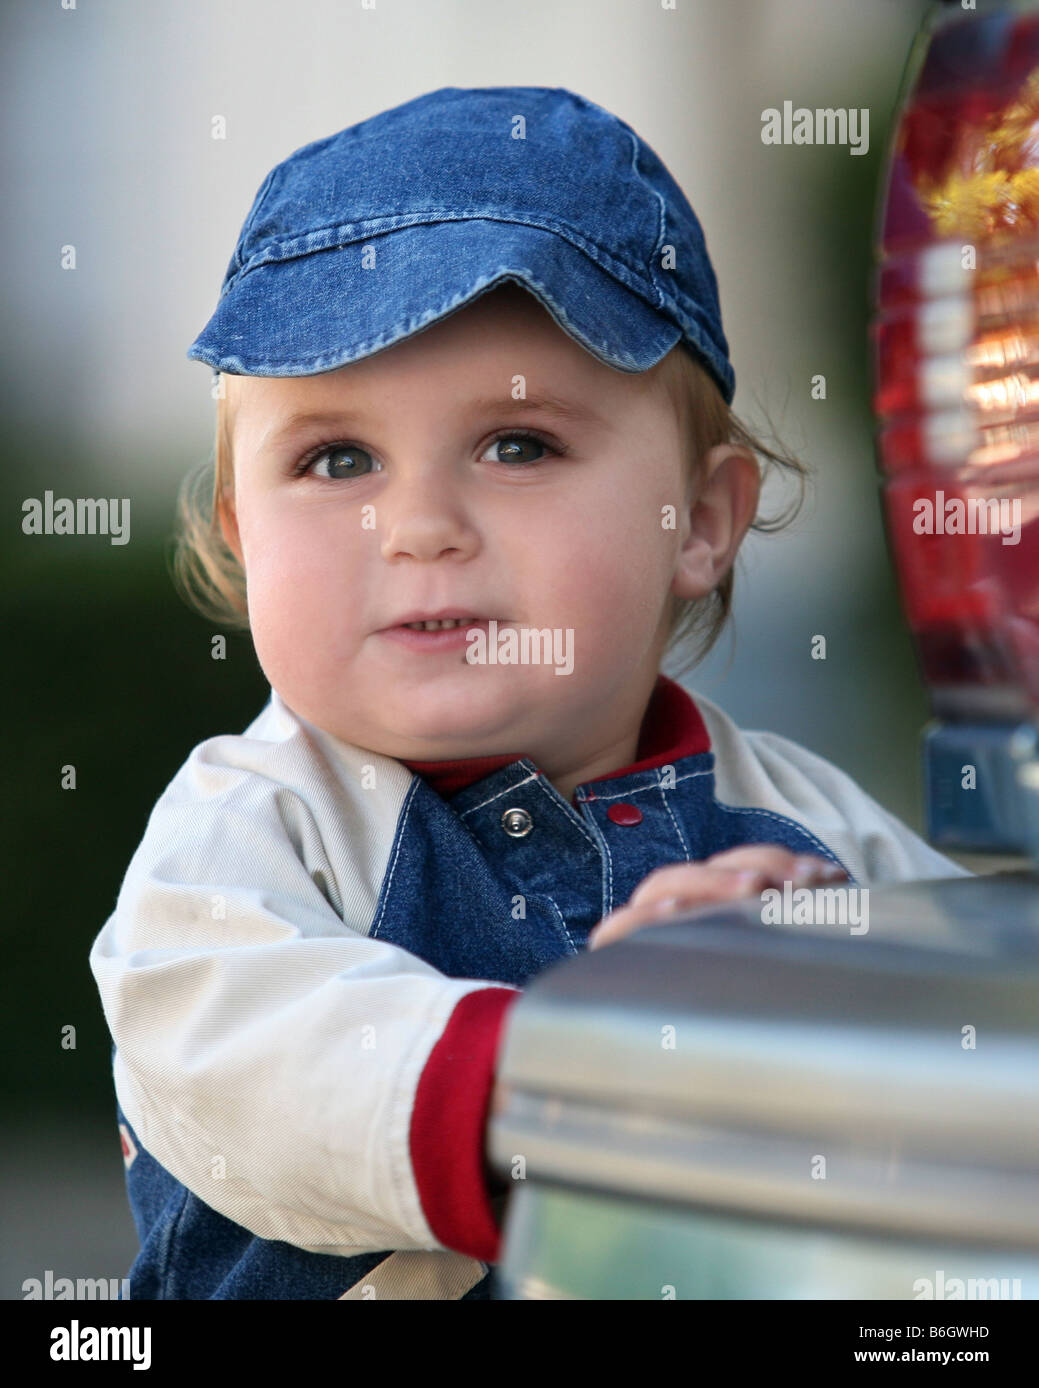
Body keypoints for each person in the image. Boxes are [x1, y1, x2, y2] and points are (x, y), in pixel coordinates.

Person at [89, 85, 971, 1301]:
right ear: (245, 543)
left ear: (699, 522)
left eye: (518, 446)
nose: (420, 525)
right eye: (335, 458)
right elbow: (237, 1054)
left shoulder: (803, 829)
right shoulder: (251, 831)